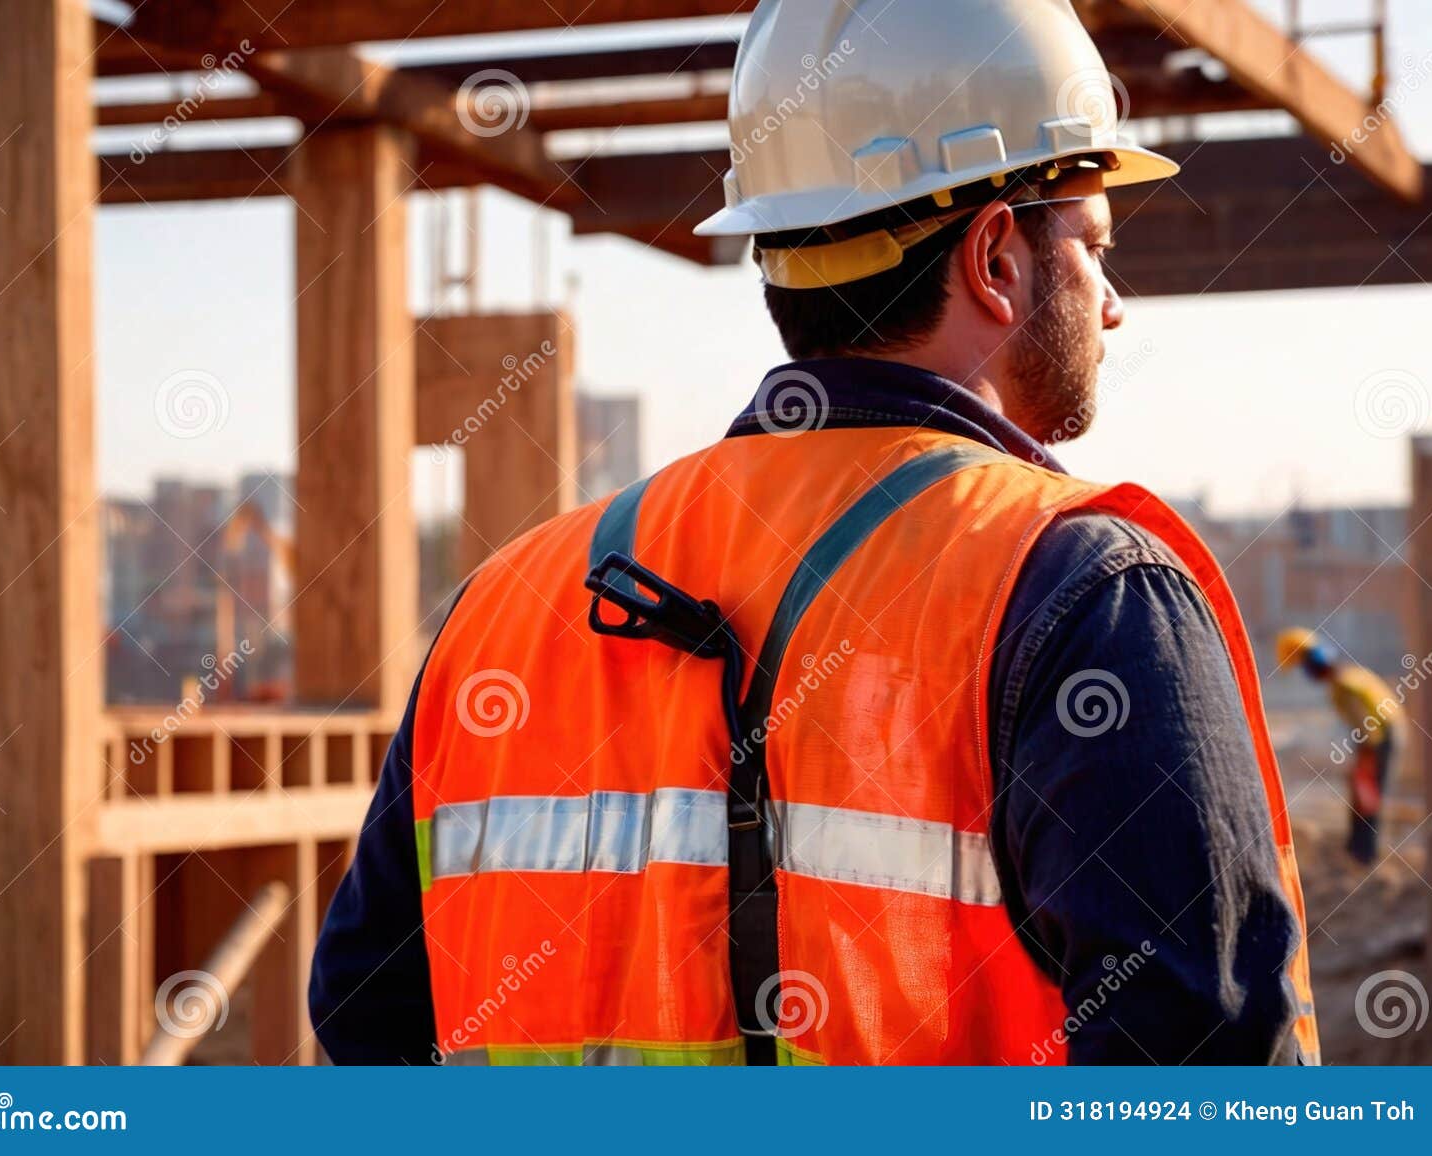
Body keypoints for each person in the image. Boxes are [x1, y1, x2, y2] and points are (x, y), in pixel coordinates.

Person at [310, 0, 1319, 1065]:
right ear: (994, 258)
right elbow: (1208, 1070)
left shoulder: (506, 602)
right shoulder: (1081, 588)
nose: (1109, 302)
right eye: (1092, 242)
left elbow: (363, 1016)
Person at [1277, 627, 1403, 865]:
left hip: (1380, 736)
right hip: (1379, 734)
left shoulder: (1344, 687)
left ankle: (1364, 854)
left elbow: (1370, 730)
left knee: (1368, 793)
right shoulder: (1348, 678)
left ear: (1314, 664)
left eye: (1304, 667)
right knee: (1364, 790)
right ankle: (1359, 849)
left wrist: (1365, 761)